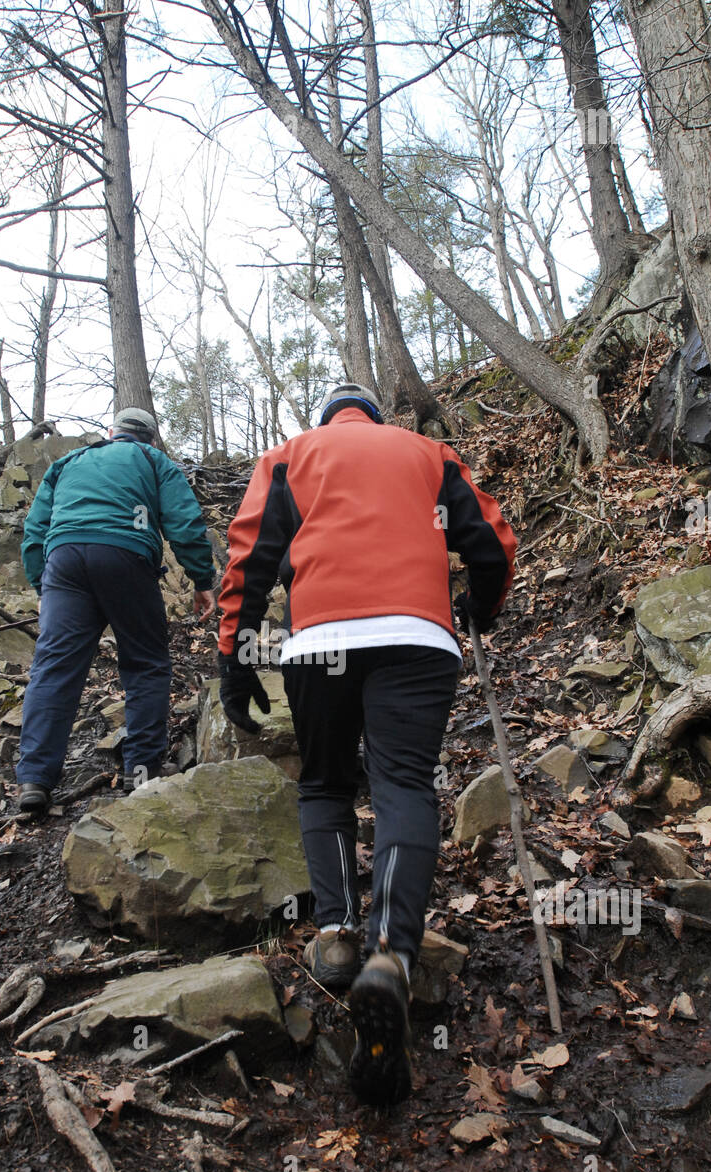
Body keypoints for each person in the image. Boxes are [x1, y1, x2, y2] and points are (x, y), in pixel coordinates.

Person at [216, 383, 517, 1106]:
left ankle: (340, 932)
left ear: (326, 417)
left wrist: (235, 658)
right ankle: (392, 954)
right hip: (417, 635)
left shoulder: (292, 456)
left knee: (323, 783)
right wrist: (482, 602)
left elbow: (250, 559)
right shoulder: (426, 452)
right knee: (404, 786)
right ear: (378, 416)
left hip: (320, 638)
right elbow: (491, 539)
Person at [16, 407, 216, 813]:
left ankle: (34, 780)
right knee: (145, 663)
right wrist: (202, 580)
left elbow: (36, 528)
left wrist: (43, 585)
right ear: (152, 439)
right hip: (125, 556)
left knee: (54, 668)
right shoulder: (153, 460)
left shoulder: (70, 461)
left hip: (65, 560)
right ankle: (139, 772)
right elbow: (183, 522)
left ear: (111, 432)